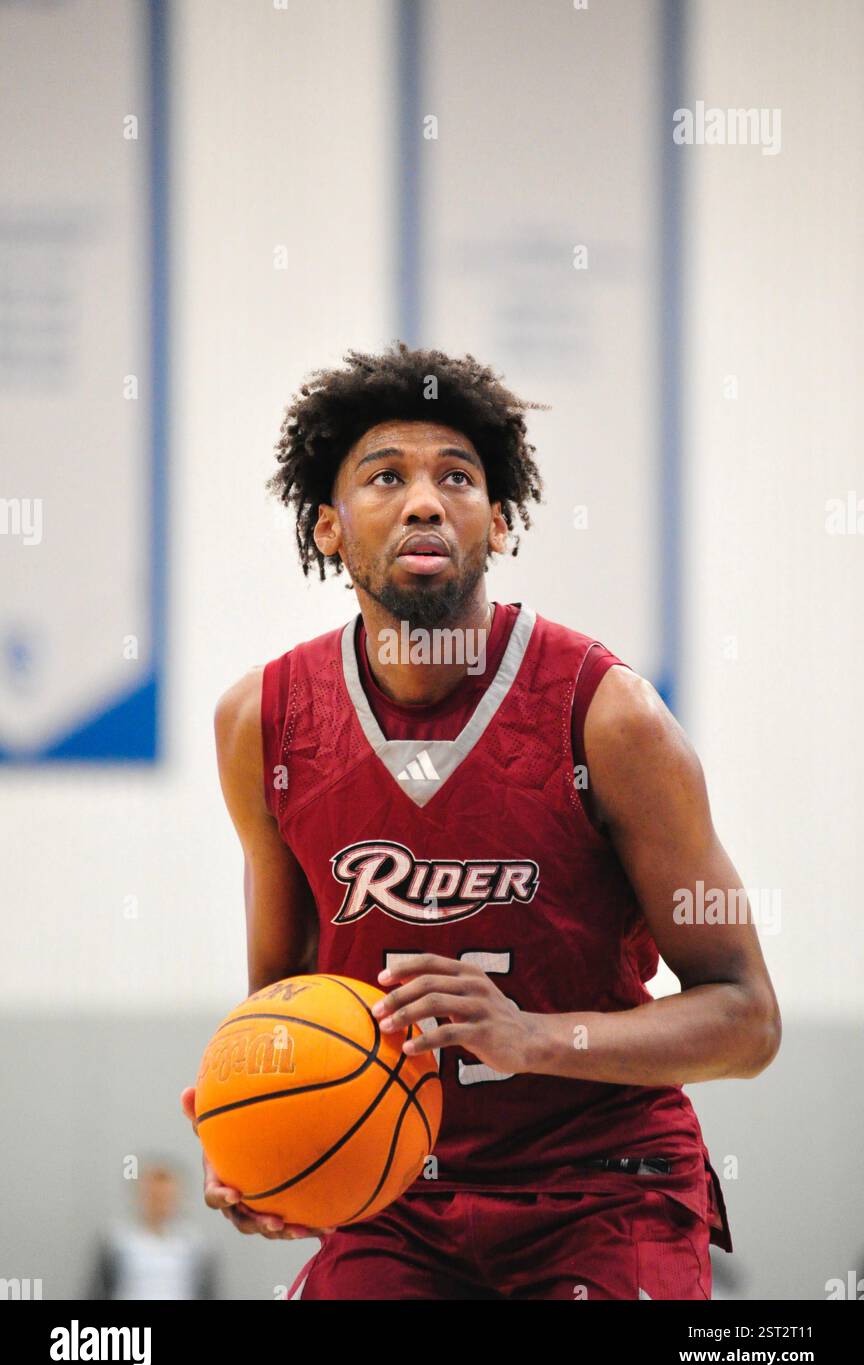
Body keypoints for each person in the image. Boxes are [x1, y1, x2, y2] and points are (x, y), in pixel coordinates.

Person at [180, 342, 781, 1300]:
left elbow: (748, 1019)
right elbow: (284, 1002)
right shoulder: (262, 722)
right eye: (386, 477)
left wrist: (535, 1039)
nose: (425, 500)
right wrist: (258, 1132)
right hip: (394, 1198)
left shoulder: (609, 715)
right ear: (328, 527)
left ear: (498, 523)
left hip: (602, 1186)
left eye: (456, 478)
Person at [86, 1160, 218, 1300]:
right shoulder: (116, 1241)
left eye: (166, 1196)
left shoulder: (197, 1246)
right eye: (154, 1195)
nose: (160, 1202)